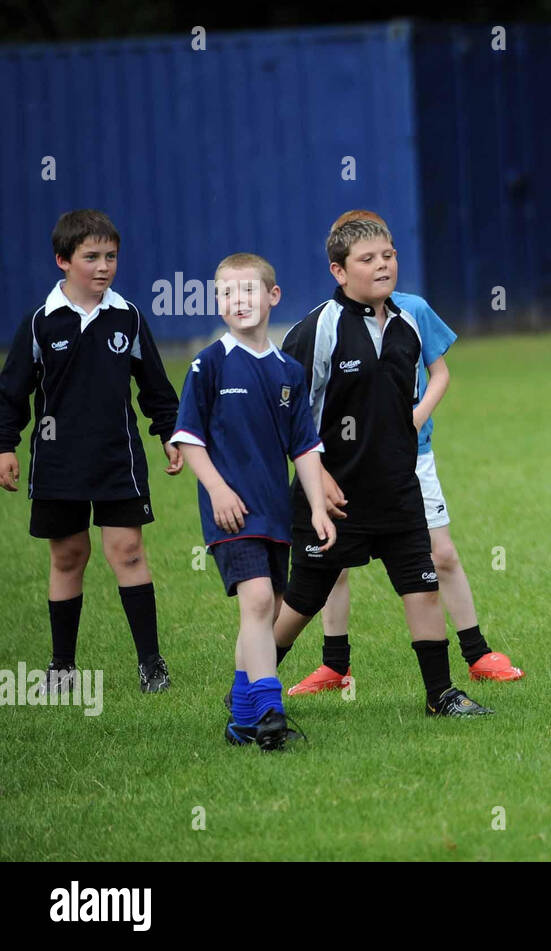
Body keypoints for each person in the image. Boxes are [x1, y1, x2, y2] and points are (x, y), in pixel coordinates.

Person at [287, 210, 523, 695]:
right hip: (338, 475)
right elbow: (292, 410)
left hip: (403, 471)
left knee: (432, 567)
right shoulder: (321, 328)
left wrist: (411, 421)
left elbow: (437, 374)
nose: (381, 264)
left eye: (388, 255)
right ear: (340, 268)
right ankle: (294, 675)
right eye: (367, 258)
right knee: (317, 584)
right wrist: (315, 473)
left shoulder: (410, 315)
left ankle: (460, 673)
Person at [0, 209, 181, 695]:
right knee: (68, 557)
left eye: (111, 257)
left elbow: (156, 387)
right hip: (58, 463)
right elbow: (11, 392)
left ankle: (151, 664)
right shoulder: (41, 323)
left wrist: (169, 433)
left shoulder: (127, 317)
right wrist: (5, 446)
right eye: (91, 257)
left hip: (117, 459)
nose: (104, 266)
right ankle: (62, 668)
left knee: (127, 551)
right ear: (63, 260)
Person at [170, 253, 336, 749]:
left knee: (268, 608)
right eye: (226, 293)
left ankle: (242, 718)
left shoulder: (288, 369)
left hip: (275, 514)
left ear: (272, 296)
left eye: (247, 291)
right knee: (260, 601)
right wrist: (217, 489)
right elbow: (188, 436)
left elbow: (304, 447)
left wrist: (318, 508)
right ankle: (270, 712)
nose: (236, 301)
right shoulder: (210, 363)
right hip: (232, 511)